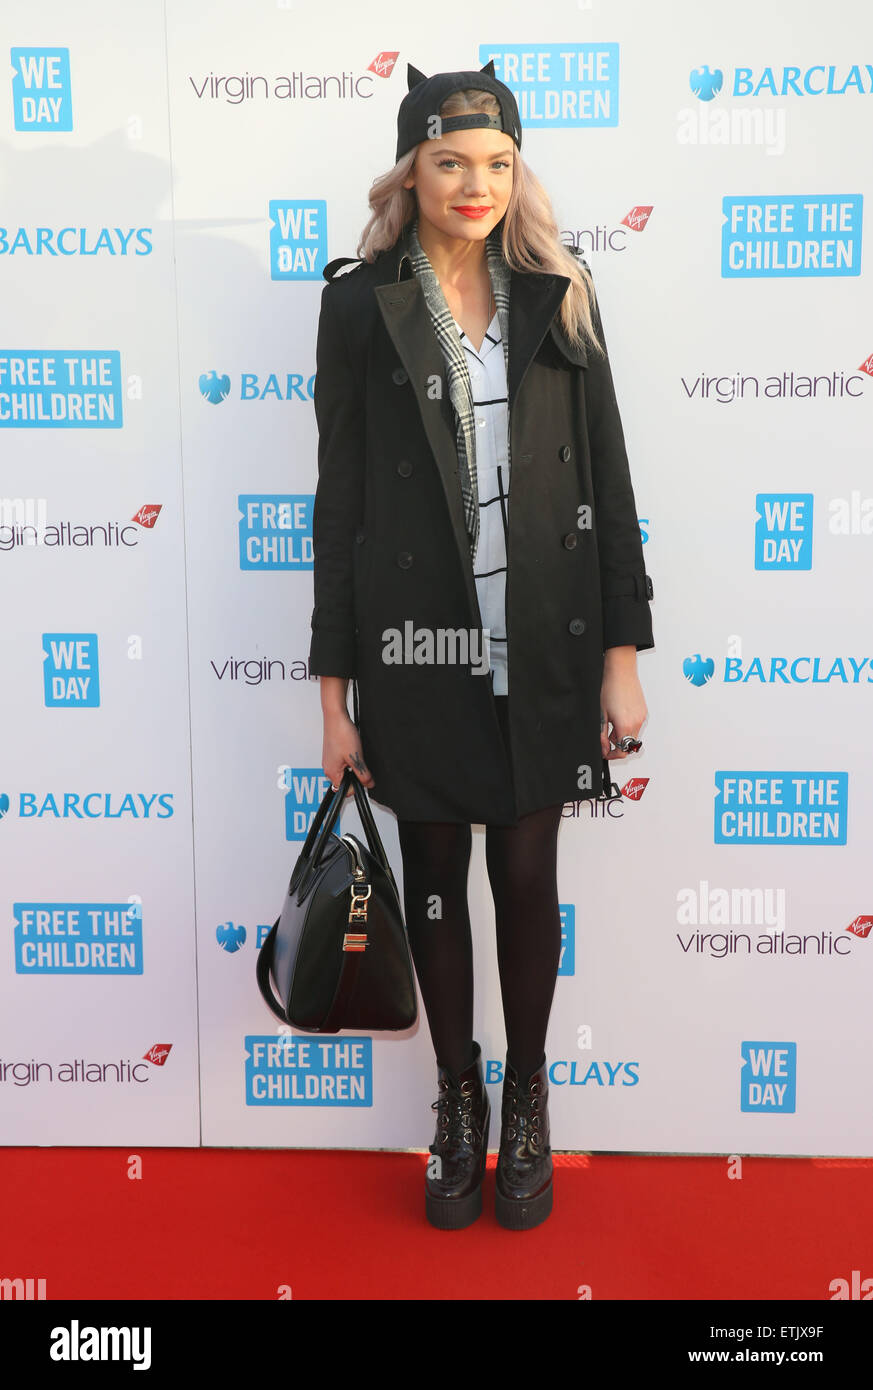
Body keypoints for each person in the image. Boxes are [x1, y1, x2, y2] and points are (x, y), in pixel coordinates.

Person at [308, 61, 654, 1231]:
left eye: (497, 164)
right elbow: (339, 502)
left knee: (527, 878)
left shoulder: (561, 288)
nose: (475, 184)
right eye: (451, 161)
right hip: (418, 650)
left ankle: (529, 1101)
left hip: (544, 647)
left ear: (520, 171)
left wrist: (622, 653)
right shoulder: (361, 303)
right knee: (439, 883)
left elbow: (607, 475)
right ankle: (455, 1097)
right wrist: (333, 694)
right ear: (414, 166)